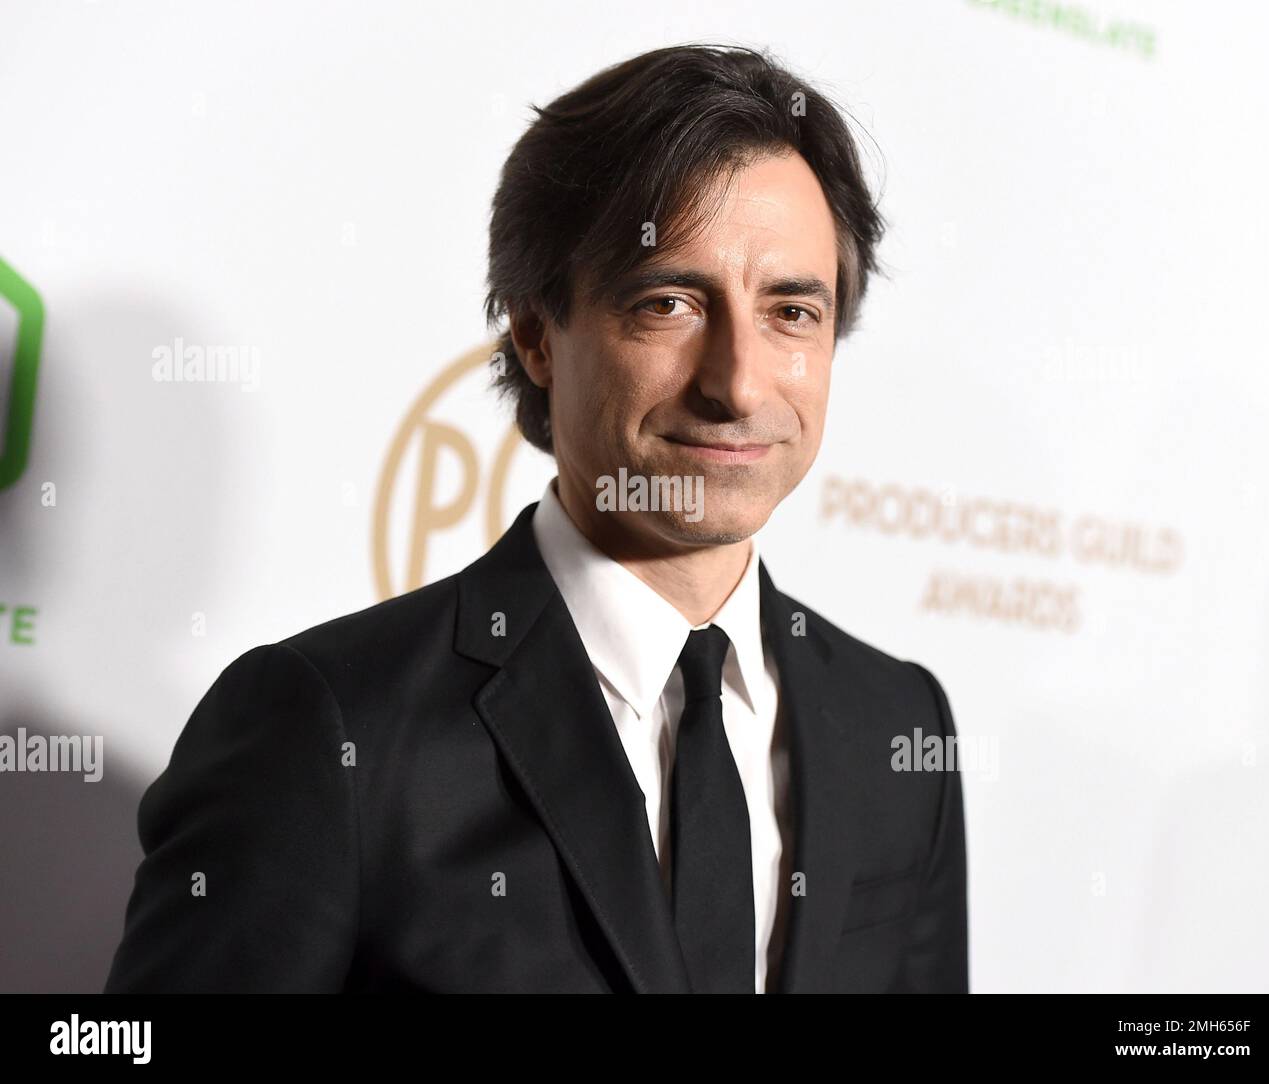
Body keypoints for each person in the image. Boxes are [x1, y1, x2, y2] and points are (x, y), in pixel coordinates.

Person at [104, 42, 968, 994]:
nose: (738, 382)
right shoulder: (328, 728)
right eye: (670, 303)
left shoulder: (898, 728)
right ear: (535, 333)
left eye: (791, 312)